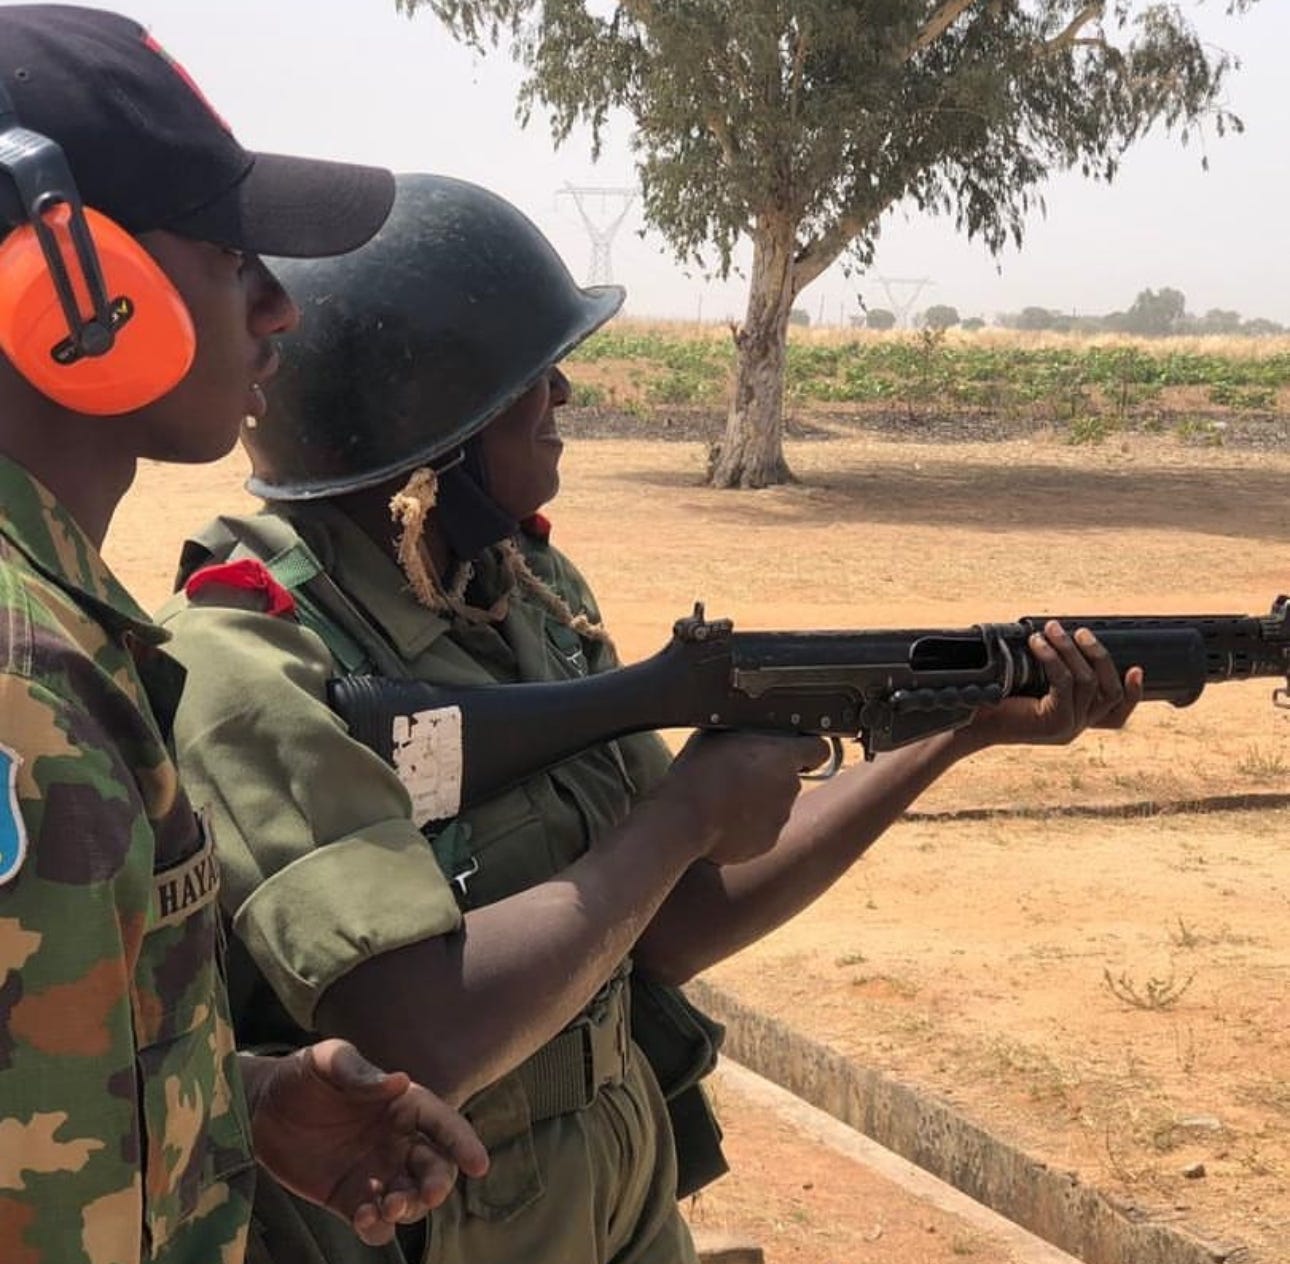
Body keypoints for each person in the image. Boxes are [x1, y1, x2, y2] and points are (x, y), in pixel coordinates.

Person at [159, 173, 1143, 1264]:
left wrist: (953, 730)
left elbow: (669, 924)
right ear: (434, 419)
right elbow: (418, 1035)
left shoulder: (517, 586)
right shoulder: (251, 651)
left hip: (613, 1192)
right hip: (426, 1222)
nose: (564, 397)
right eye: (532, 378)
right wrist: (679, 816)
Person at [0, 11, 488, 1264]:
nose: (280, 310)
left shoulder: (61, 626)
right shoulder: (23, 693)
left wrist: (230, 1100)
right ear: (73, 286)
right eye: (231, 256)